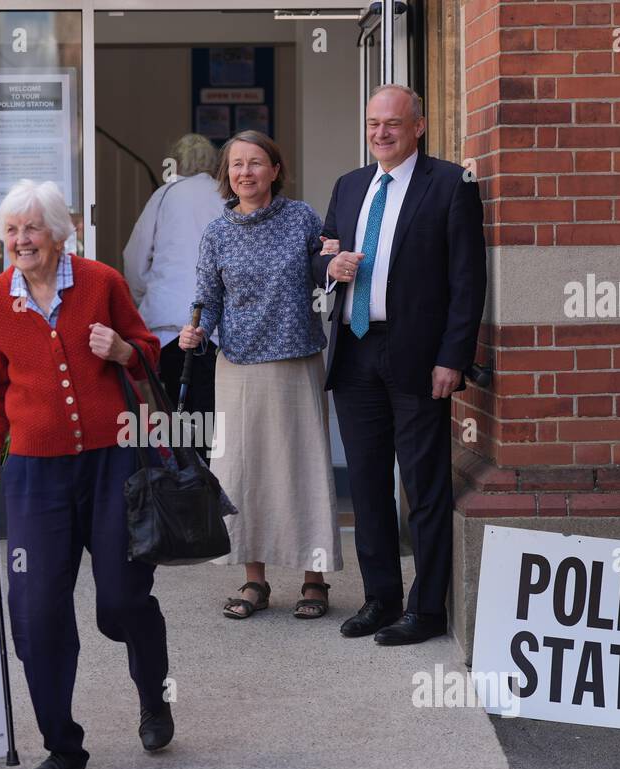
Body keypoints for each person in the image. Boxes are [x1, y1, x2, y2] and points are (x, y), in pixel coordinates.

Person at [0, 179, 170, 769]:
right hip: (35, 475)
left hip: (112, 464)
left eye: (32, 228)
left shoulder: (101, 282)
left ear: (58, 233)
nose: (20, 240)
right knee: (34, 613)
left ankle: (153, 696)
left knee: (121, 600)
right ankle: (62, 745)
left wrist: (124, 352)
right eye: (11, 230)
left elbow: (149, 351)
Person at [313, 84, 486, 646]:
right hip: (356, 348)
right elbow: (321, 258)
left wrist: (451, 358)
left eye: (393, 123)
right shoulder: (350, 186)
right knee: (365, 485)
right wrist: (331, 266)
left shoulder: (450, 185)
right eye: (373, 123)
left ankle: (427, 609)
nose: (381, 133)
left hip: (418, 356)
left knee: (425, 484)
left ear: (419, 126)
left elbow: (467, 282)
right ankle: (380, 599)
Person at [178, 130, 343, 621]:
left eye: (255, 163)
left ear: (275, 169)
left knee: (304, 469)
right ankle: (255, 581)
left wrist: (334, 260)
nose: (245, 173)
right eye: (236, 165)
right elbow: (208, 298)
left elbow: (325, 271)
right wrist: (196, 331)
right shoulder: (217, 232)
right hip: (238, 367)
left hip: (296, 362)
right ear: (226, 176)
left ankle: (315, 581)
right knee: (244, 473)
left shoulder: (302, 218)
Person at [123, 134, 223, 459]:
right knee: (213, 418)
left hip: (168, 327)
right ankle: (214, 488)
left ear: (175, 164)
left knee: (175, 419)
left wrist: (145, 297)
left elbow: (134, 259)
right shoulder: (229, 196)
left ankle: (184, 486)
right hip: (219, 329)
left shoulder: (165, 195)